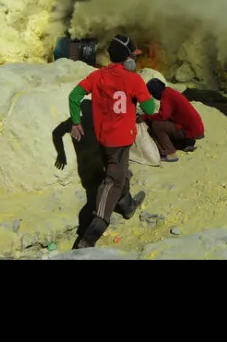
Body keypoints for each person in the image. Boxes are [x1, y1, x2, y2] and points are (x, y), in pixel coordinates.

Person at [66, 34, 158, 249]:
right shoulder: (134, 80)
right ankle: (91, 233)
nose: (134, 60)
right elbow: (150, 109)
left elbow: (73, 96)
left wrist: (76, 122)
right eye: (133, 56)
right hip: (121, 140)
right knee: (111, 181)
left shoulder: (97, 76)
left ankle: (127, 206)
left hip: (102, 138)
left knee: (119, 170)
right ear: (127, 58)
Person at [144, 78, 205, 162]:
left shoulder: (166, 96)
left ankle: (170, 153)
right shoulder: (169, 92)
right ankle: (186, 144)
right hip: (195, 128)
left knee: (157, 125)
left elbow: (163, 116)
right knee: (164, 124)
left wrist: (146, 117)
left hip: (190, 130)